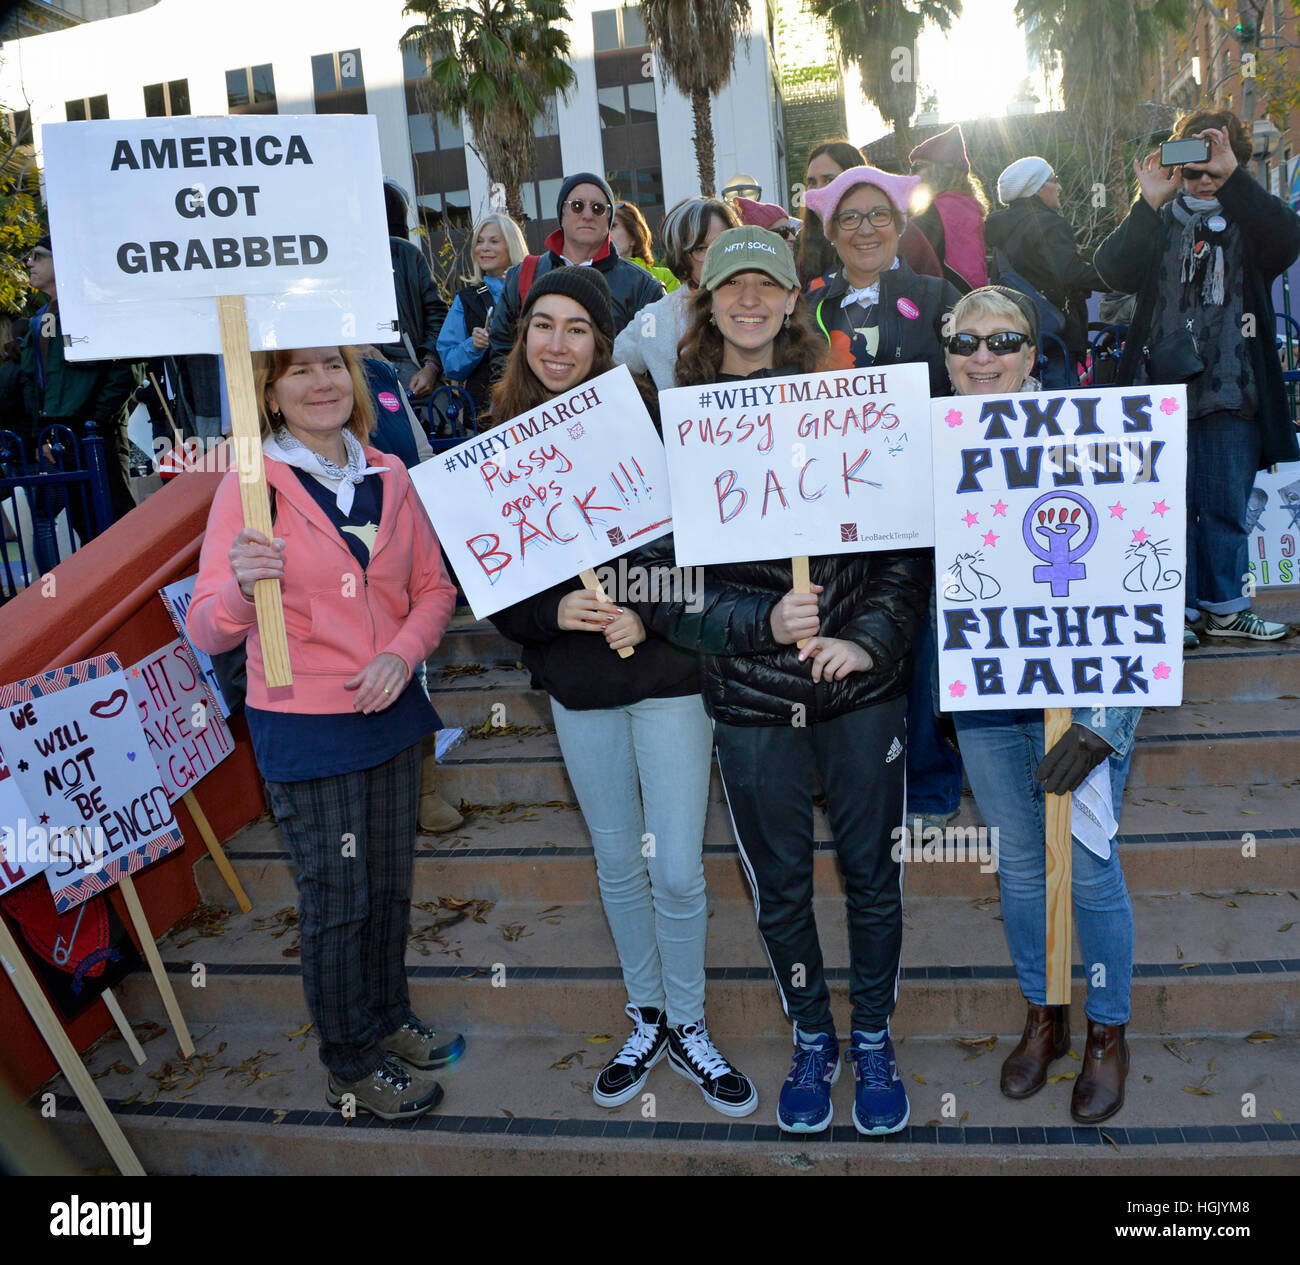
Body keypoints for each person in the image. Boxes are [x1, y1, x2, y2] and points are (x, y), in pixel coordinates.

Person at [638, 227, 930, 1135]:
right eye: (734, 286)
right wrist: (756, 623)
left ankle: (873, 1034)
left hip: (856, 693)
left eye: (768, 284)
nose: (751, 299)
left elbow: (902, 552)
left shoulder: (846, 400)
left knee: (874, 875)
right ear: (707, 301)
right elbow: (652, 581)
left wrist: (869, 644)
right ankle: (814, 1034)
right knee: (781, 884)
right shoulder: (676, 420)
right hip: (752, 697)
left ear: (793, 300)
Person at [487, 266, 756, 1118]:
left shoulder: (649, 422)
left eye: (576, 328)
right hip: (577, 685)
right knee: (617, 861)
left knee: (675, 867)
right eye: (543, 324)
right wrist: (552, 608)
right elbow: (488, 581)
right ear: (523, 335)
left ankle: (690, 1020)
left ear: (601, 343)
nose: (557, 343)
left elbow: (705, 558)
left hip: (668, 676)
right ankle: (648, 1016)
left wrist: (646, 611)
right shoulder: (492, 437)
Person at [187, 343, 463, 1121]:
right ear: (270, 394)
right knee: (338, 899)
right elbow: (208, 627)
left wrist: (402, 655)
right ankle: (349, 1062)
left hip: (394, 711)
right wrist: (243, 591)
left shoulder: (391, 476)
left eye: (334, 366)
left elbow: (434, 590)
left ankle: (385, 1015)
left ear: (356, 380)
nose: (321, 383)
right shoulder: (251, 489)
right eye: (299, 370)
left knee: (388, 885)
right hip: (305, 723)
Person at [941, 285, 1141, 1123]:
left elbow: (1147, 573)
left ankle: (1107, 1030)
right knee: (1021, 863)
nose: (982, 356)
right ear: (946, 354)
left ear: (1034, 353)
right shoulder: (928, 446)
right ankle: (1044, 1014)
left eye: (1003, 340)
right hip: (984, 693)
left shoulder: (1098, 437)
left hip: (1080, 696)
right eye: (965, 341)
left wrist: (1107, 720)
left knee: (1087, 864)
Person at [1096, 110, 1300, 647]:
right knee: (1166, 505)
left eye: (1216, 167)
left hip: (1234, 387)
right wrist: (1147, 202)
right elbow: (1111, 269)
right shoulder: (1159, 220)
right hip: (1159, 390)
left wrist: (1237, 181)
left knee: (1226, 504)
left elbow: (1287, 239)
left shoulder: (1252, 223)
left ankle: (1226, 608)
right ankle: (1175, 610)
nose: (1204, 179)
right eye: (1194, 168)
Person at [804, 165, 965, 829]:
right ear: (831, 232)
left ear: (899, 225)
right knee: (840, 632)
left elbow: (984, 360)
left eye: (877, 215)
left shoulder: (935, 296)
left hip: (917, 503)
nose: (864, 228)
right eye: (850, 217)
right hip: (833, 505)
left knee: (920, 639)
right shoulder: (807, 305)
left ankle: (927, 781)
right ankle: (847, 776)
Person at [20, 234, 138, 569]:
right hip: (63, 439)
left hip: (98, 434)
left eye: (38, 256)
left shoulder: (97, 308)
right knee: (86, 530)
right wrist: (44, 433)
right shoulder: (41, 319)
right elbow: (34, 380)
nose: (29, 263)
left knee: (116, 526)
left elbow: (128, 368)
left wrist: (98, 421)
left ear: (64, 261)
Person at [487, 172, 664, 376]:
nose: (587, 215)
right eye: (577, 205)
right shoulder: (523, 275)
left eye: (598, 208)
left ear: (608, 219)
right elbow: (501, 351)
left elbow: (655, 361)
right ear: (562, 214)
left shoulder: (642, 286)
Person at [985, 157, 1103, 389]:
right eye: (1054, 180)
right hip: (1055, 340)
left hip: (1016, 338)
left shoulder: (1002, 229)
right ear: (1037, 187)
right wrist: (1113, 278)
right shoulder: (1049, 224)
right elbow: (1070, 272)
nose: (1059, 187)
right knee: (1059, 415)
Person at [612, 195, 739, 391]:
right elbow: (608, 372)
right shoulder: (654, 318)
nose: (716, 256)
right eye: (701, 248)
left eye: (723, 244)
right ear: (681, 254)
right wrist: (650, 410)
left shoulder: (761, 305)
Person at [436, 212, 528, 421]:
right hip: (485, 414)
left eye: (494, 241)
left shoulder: (535, 288)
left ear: (512, 246)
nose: (484, 247)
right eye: (479, 241)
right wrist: (473, 345)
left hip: (534, 402)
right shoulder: (466, 299)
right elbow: (450, 364)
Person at [381, 180, 448, 398]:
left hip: (410, 365)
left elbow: (437, 316)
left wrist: (431, 366)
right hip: (361, 371)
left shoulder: (408, 255)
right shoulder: (339, 261)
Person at [907, 124, 989, 293]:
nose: (911, 175)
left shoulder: (934, 213)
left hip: (944, 305)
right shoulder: (968, 206)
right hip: (973, 300)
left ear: (939, 171)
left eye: (917, 168)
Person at [610, 201, 677, 291]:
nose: (606, 234)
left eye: (612, 227)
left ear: (634, 235)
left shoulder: (665, 277)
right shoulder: (593, 279)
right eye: (603, 228)